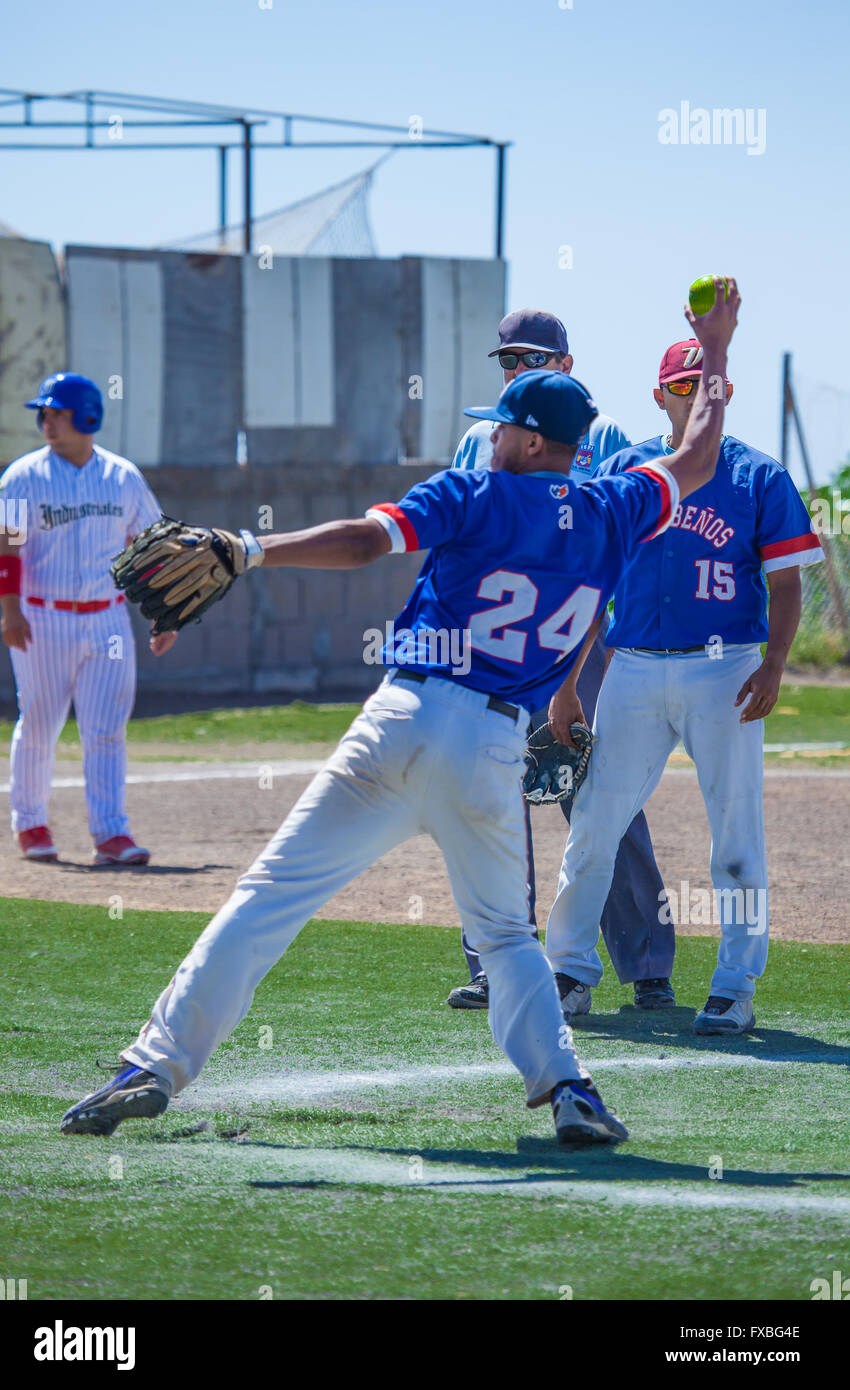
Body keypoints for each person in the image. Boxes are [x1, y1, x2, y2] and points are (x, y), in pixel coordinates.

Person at [58, 280, 740, 1144]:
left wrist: (250, 547)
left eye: (501, 425)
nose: (489, 434)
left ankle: (152, 1066)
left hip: (406, 719)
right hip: (494, 744)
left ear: (531, 440)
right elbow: (699, 455)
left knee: (268, 897)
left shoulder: (476, 492)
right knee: (504, 936)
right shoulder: (613, 509)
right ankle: (570, 1088)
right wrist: (716, 350)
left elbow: (361, 538)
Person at [544, 333, 824, 1035]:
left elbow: (786, 582)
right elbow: (591, 583)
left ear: (725, 393)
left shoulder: (759, 476)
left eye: (710, 386)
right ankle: (571, 969)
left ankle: (734, 983)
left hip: (725, 666)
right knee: (595, 821)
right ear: (658, 395)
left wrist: (776, 661)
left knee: (735, 835)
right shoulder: (626, 471)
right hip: (633, 665)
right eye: (684, 387)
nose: (699, 397)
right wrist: (568, 683)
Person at [447, 308, 675, 1015]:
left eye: (532, 358)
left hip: (580, 638)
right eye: (508, 359)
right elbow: (458, 537)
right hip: (495, 642)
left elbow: (622, 545)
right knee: (488, 799)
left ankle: (646, 964)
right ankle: (496, 962)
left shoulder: (600, 434)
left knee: (603, 797)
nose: (517, 369)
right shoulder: (479, 438)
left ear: (566, 365)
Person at [0, 372, 176, 866]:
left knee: (107, 728)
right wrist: (9, 611)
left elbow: (149, 551)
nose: (46, 421)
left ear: (86, 416)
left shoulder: (123, 477)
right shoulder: (24, 475)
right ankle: (30, 824)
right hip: (41, 619)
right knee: (40, 724)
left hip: (108, 620)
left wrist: (163, 613)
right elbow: (6, 548)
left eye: (56, 412)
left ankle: (111, 834)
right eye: (43, 413)